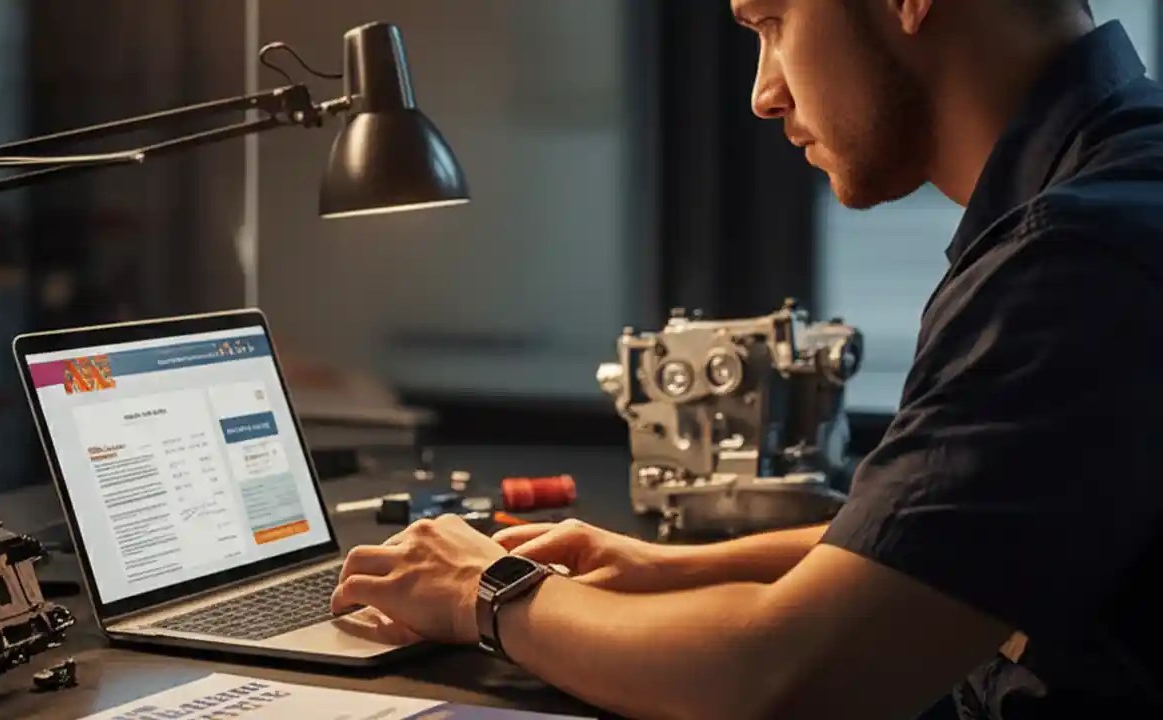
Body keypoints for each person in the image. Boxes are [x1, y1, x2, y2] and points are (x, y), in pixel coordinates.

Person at [331, 1, 1163, 718]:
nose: (764, 93)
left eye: (773, 22)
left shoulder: (1075, 259)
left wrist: (486, 593)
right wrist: (659, 567)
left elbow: (782, 678)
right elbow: (930, 544)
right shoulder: (1115, 187)